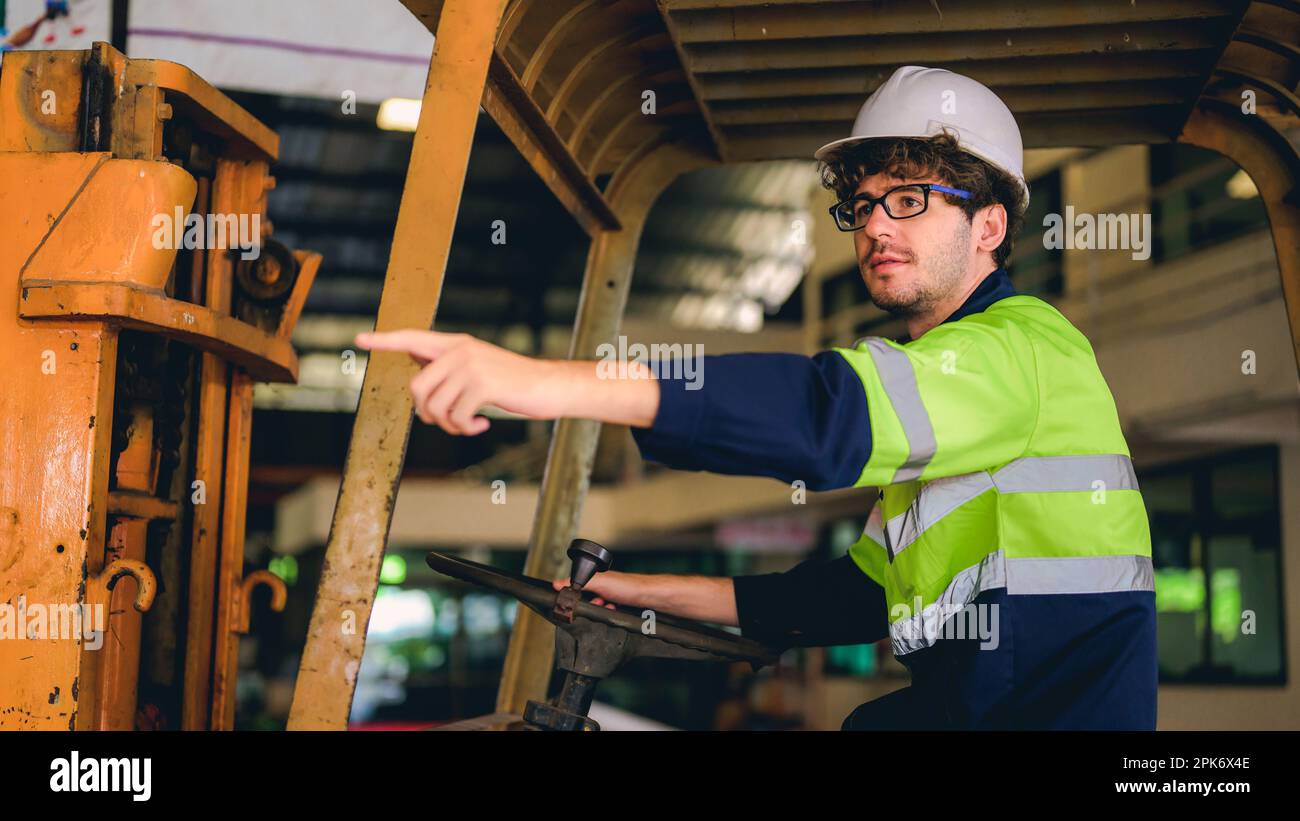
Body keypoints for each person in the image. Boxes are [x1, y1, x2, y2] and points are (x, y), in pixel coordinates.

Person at [357, 66, 1157, 730]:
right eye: (865, 205)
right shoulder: (947, 407)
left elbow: (822, 415)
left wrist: (538, 382)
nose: (877, 226)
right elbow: (854, 596)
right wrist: (639, 594)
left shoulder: (1021, 349)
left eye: (910, 198)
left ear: (987, 225)